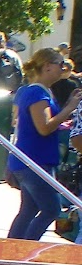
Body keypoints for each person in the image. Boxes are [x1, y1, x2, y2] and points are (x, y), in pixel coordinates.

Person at [6, 48, 82, 241]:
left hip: (29, 160)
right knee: (51, 209)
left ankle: (11, 249)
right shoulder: (37, 92)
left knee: (29, 209)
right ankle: (26, 248)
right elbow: (44, 128)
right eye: (60, 64)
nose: (63, 69)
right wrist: (70, 108)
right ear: (47, 66)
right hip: (34, 162)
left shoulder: (36, 91)